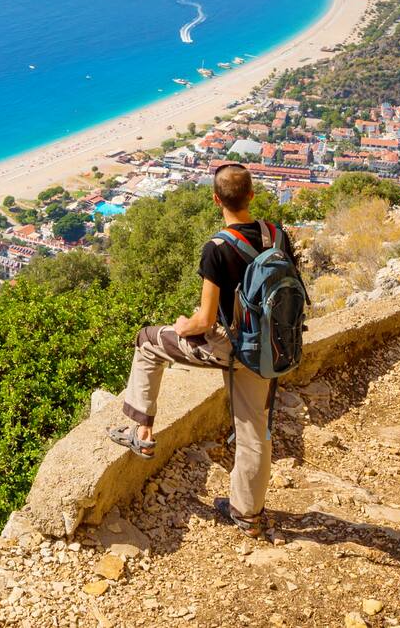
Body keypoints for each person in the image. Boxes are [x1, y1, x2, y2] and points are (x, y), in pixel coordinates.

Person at [108, 161, 293, 537]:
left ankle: (141, 431)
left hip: (232, 347)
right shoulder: (277, 235)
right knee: (255, 433)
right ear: (251, 195)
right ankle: (247, 514)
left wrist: (182, 325)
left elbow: (205, 322)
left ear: (215, 199)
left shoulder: (217, 248)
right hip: (272, 347)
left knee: (147, 341)